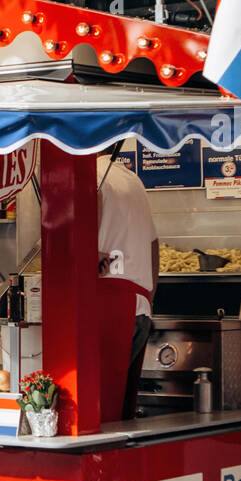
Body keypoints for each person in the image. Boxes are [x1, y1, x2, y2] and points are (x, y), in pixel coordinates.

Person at [96, 153, 159, 422]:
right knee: (124, 412)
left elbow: (88, 251)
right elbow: (155, 244)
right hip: (140, 303)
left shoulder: (91, 177)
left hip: (108, 303)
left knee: (99, 411)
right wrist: (149, 295)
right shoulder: (133, 180)